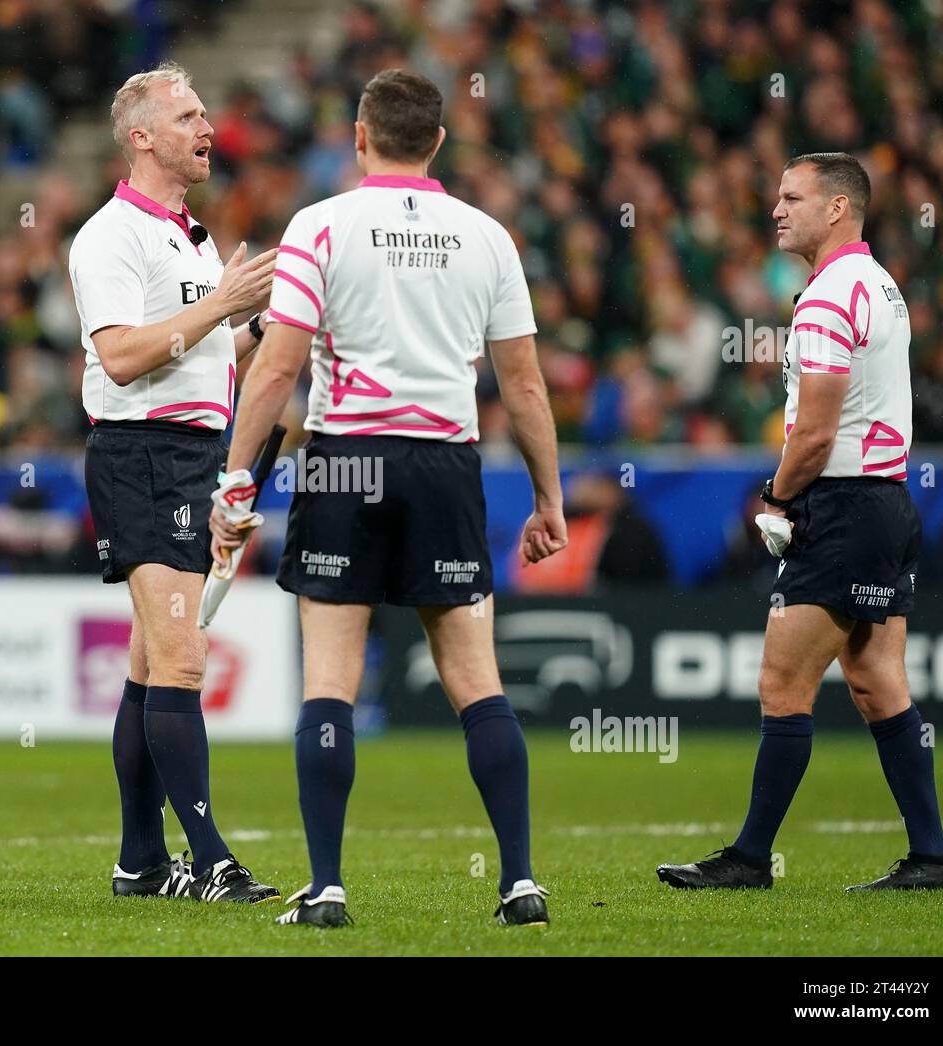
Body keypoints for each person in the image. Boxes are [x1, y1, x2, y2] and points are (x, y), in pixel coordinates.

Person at [210, 69, 568, 927]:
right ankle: (519, 882)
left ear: (359, 137)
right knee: (476, 680)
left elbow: (278, 366)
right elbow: (522, 383)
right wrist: (549, 499)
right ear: (438, 142)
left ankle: (327, 887)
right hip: (446, 463)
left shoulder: (321, 225)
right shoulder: (487, 236)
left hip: (345, 462)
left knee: (329, 679)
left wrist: (236, 474)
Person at [657, 153, 943, 892]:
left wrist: (777, 495)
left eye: (792, 197)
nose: (776, 210)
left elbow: (817, 433)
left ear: (837, 209)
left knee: (781, 683)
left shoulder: (828, 297)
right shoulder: (881, 286)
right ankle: (932, 859)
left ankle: (750, 859)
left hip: (846, 507)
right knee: (876, 679)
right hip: (886, 504)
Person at [68, 62, 280, 904]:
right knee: (184, 658)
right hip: (140, 456)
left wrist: (265, 326)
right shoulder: (109, 236)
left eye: (206, 113)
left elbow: (204, 362)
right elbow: (119, 356)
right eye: (189, 115)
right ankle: (212, 860)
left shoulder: (190, 235)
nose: (207, 128)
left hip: (190, 454)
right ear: (142, 136)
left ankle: (140, 863)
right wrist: (222, 303)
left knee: (154, 659)